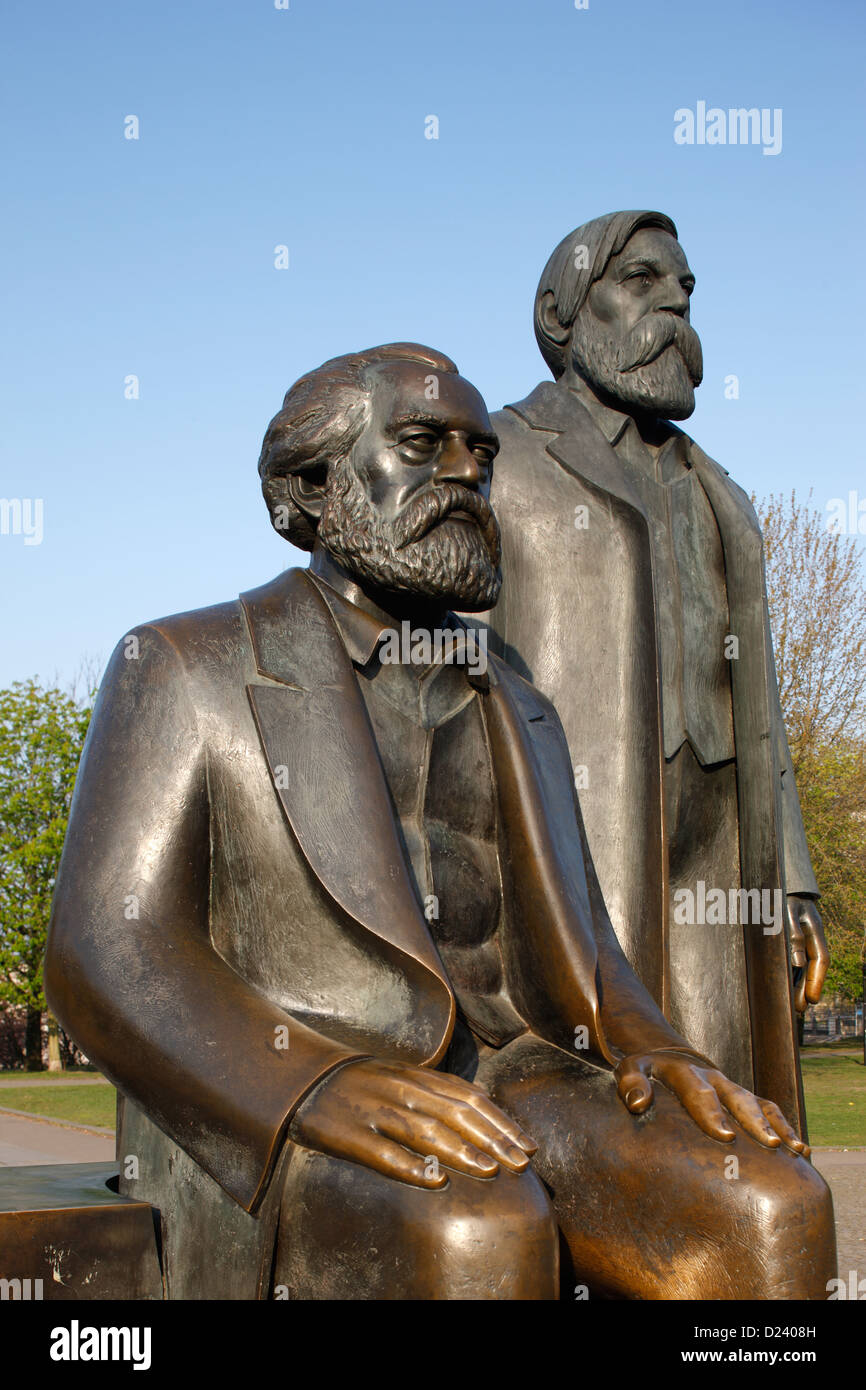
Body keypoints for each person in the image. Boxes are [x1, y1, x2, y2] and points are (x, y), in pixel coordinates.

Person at [45, 343, 835, 1300]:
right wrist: (307, 1086)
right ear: (309, 487)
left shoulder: (519, 697)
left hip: (528, 1075)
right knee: (476, 1228)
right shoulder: (185, 663)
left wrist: (652, 1046)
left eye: (480, 452)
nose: (465, 472)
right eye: (422, 445)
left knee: (769, 1203)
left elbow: (591, 945)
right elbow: (105, 949)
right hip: (313, 1087)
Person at [480, 213, 827, 1127]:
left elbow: (763, 715)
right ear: (561, 313)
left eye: (685, 289)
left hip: (723, 842)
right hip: (577, 840)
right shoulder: (497, 462)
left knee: (734, 1113)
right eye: (641, 279)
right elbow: (457, 687)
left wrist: (790, 879)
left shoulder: (723, 495)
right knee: (610, 1117)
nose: (674, 301)